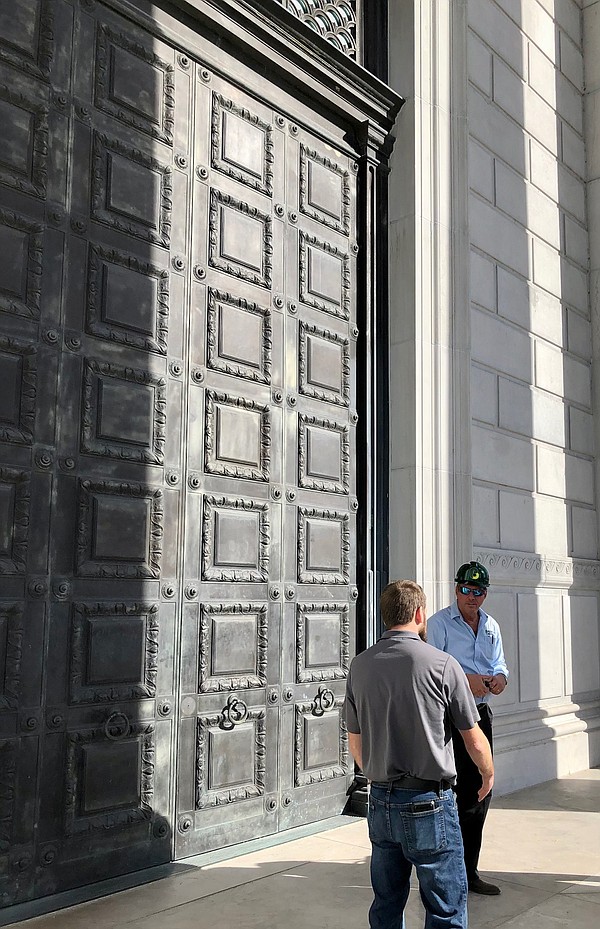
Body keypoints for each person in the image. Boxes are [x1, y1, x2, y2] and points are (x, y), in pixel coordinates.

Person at [343, 579, 494, 929]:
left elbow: (355, 743)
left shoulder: (360, 666)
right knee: (445, 908)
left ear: (385, 617)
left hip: (380, 801)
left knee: (386, 903)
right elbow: (473, 738)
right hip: (428, 802)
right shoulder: (442, 664)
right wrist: (487, 774)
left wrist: (380, 773)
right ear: (420, 613)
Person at [427, 561, 509, 897]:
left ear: (485, 594)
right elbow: (430, 670)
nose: (471, 597)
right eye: (465, 590)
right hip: (449, 719)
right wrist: (466, 681)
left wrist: (499, 679)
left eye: (478, 592)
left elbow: (500, 663)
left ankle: (468, 871)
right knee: (449, 793)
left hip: (479, 716)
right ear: (455, 589)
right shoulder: (439, 624)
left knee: (480, 791)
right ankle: (443, 872)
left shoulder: (491, 626)